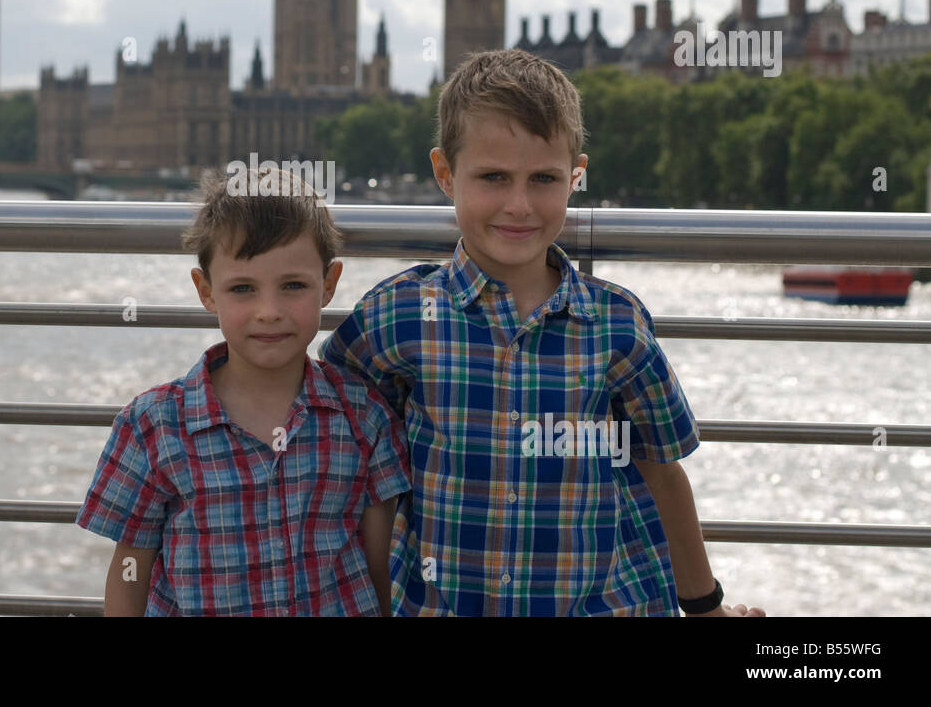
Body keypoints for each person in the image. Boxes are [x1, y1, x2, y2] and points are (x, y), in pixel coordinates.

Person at [320, 48, 766, 617]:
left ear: (575, 175)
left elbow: (661, 470)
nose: (519, 204)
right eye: (493, 178)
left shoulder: (616, 326)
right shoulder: (395, 319)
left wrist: (705, 608)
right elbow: (337, 452)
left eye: (544, 179)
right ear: (444, 173)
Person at [76, 165, 411, 615]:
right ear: (206, 290)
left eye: (293, 286)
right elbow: (130, 569)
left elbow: (379, 566)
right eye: (243, 289)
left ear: (328, 284)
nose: (268, 311)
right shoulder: (152, 427)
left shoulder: (364, 417)